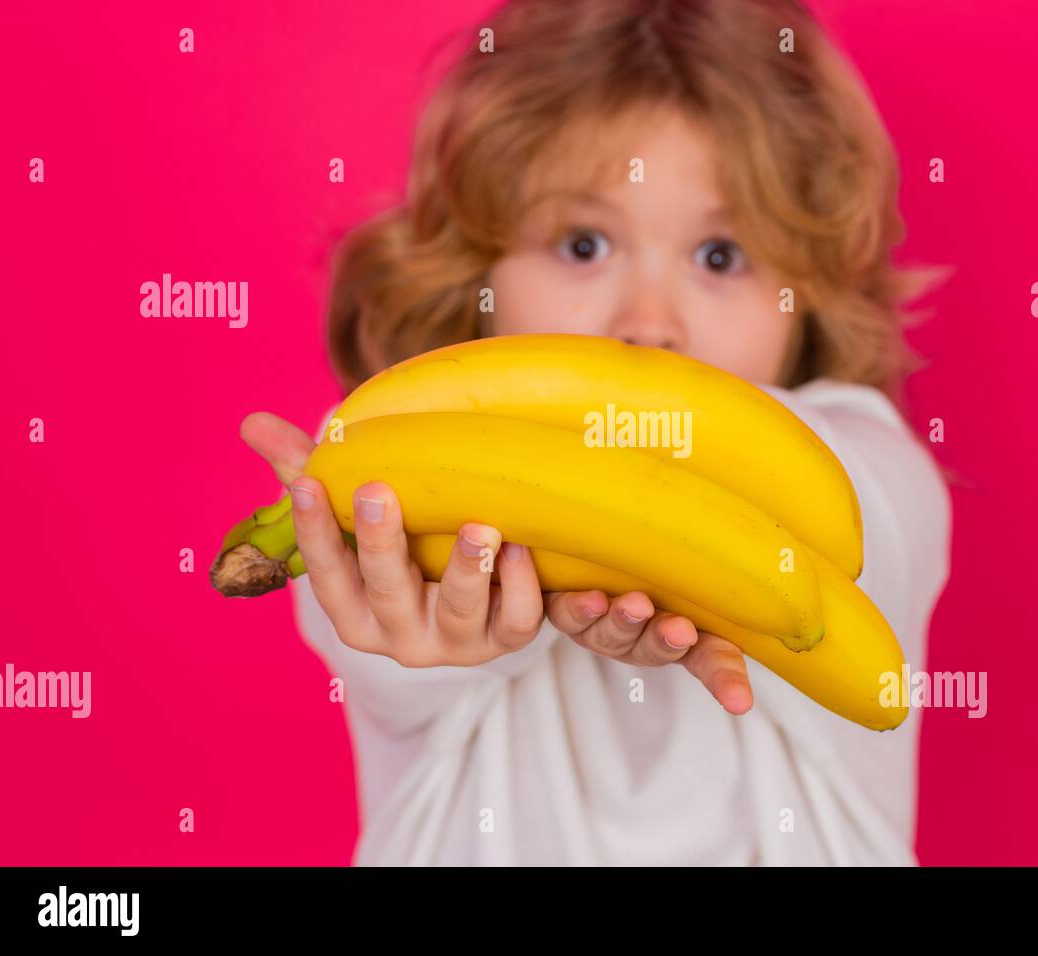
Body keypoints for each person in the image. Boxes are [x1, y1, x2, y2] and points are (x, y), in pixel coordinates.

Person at [239, 0, 952, 865]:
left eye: (720, 257)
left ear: (807, 302)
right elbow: (368, 609)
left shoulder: (872, 465)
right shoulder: (412, 472)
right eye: (583, 245)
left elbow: (864, 529)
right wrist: (396, 591)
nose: (647, 323)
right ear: (479, 277)